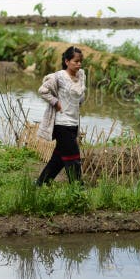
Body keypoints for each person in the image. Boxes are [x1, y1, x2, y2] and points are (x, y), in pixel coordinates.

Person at [35, 46, 86, 186]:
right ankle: (77, 189)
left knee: (58, 158)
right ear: (67, 61)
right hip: (61, 123)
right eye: (76, 61)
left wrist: (77, 103)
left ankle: (41, 183)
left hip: (73, 122)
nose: (79, 64)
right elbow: (43, 90)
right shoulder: (59, 77)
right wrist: (55, 102)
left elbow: (81, 95)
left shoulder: (81, 75)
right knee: (73, 157)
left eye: (80, 61)